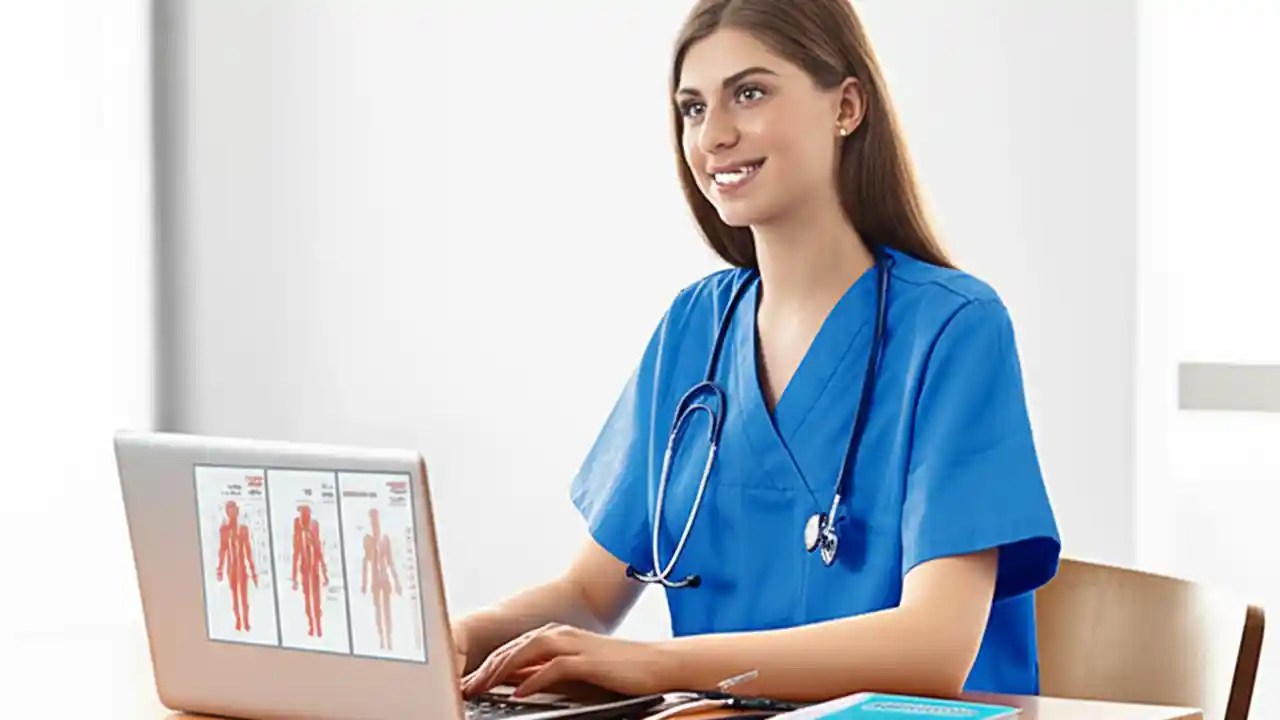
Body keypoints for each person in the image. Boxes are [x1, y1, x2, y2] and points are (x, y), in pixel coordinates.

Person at [453, 0, 1060, 704]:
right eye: (691, 107)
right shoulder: (696, 328)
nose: (714, 135)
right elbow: (590, 595)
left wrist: (657, 666)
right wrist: (460, 635)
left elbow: (933, 649)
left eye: (749, 93)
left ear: (848, 106)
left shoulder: (955, 329)